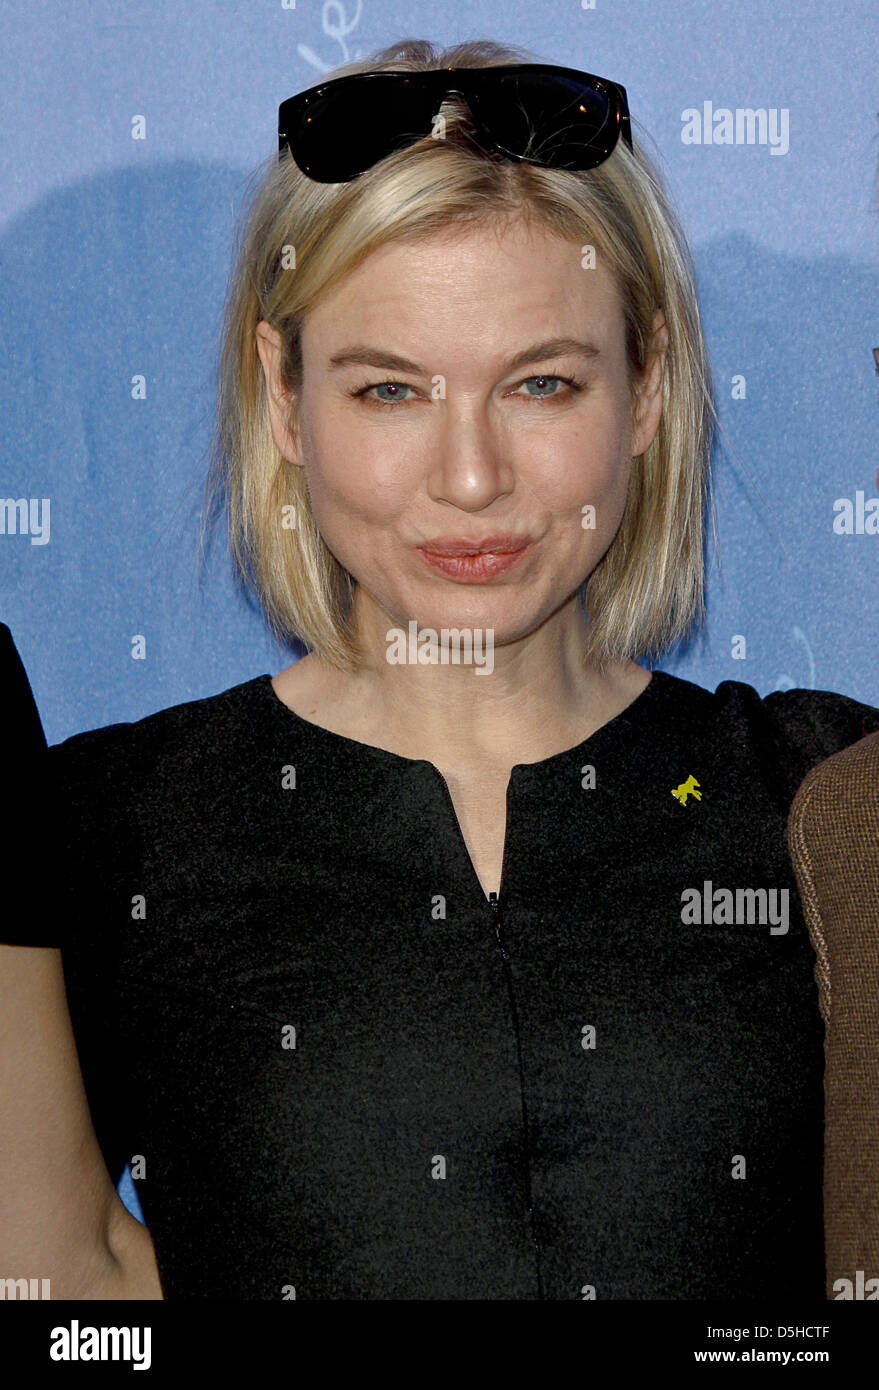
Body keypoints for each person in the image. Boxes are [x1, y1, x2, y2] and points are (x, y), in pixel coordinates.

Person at [2, 36, 877, 1301]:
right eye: (390, 391)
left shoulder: (830, 803)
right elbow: (69, 1298)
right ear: (285, 398)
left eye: (542, 383)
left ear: (646, 387)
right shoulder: (105, 829)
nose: (471, 478)